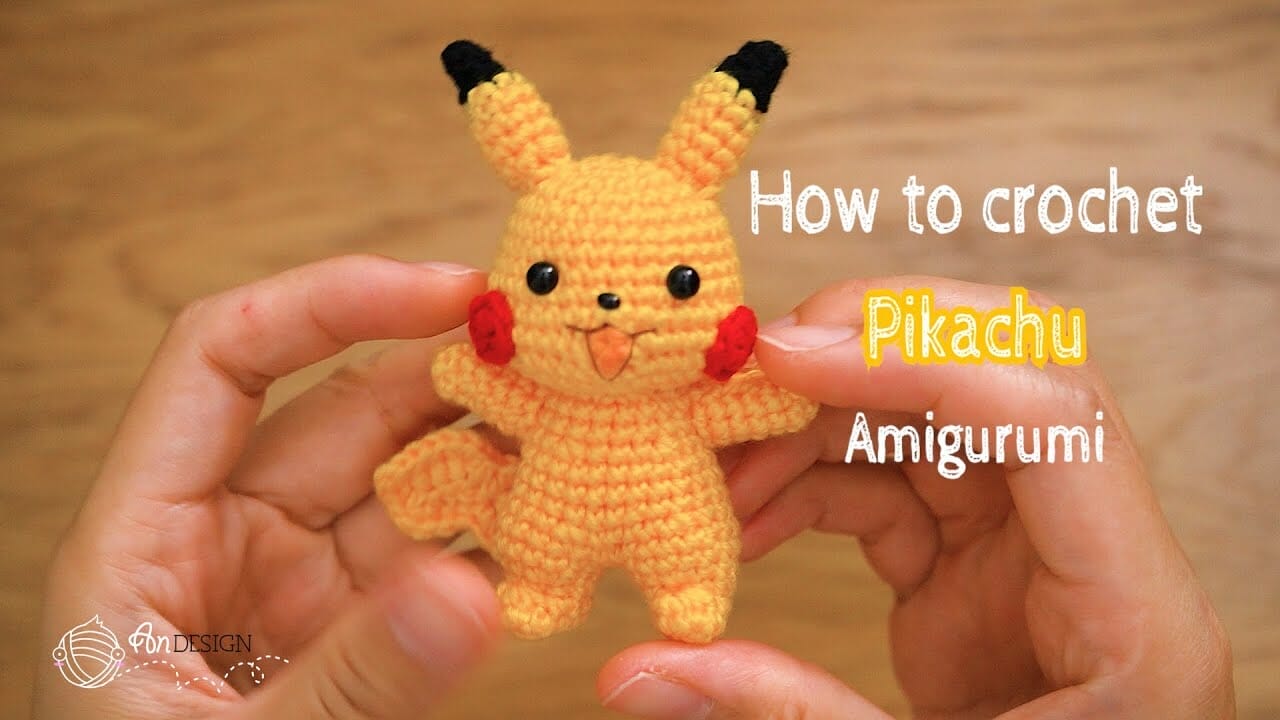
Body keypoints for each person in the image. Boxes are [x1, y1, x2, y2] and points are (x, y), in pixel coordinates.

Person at [33, 255, 1235, 719]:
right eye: (568, 286)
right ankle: (548, 580)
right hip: (539, 515)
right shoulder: (519, 385)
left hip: (683, 523)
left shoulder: (696, 392)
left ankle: (661, 582)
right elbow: (466, 375)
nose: (609, 320)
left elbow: (764, 401)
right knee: (527, 556)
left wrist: (763, 387)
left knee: (687, 559)